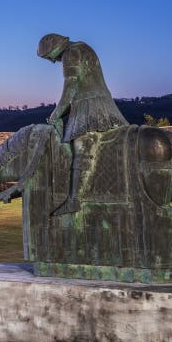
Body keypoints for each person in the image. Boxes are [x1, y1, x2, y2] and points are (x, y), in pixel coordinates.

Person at [37, 33, 128, 215]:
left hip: (91, 105)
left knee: (82, 145)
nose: (51, 61)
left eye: (48, 57)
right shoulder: (81, 47)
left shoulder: (70, 53)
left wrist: (55, 114)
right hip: (89, 101)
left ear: (54, 48)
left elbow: (70, 90)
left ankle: (75, 200)